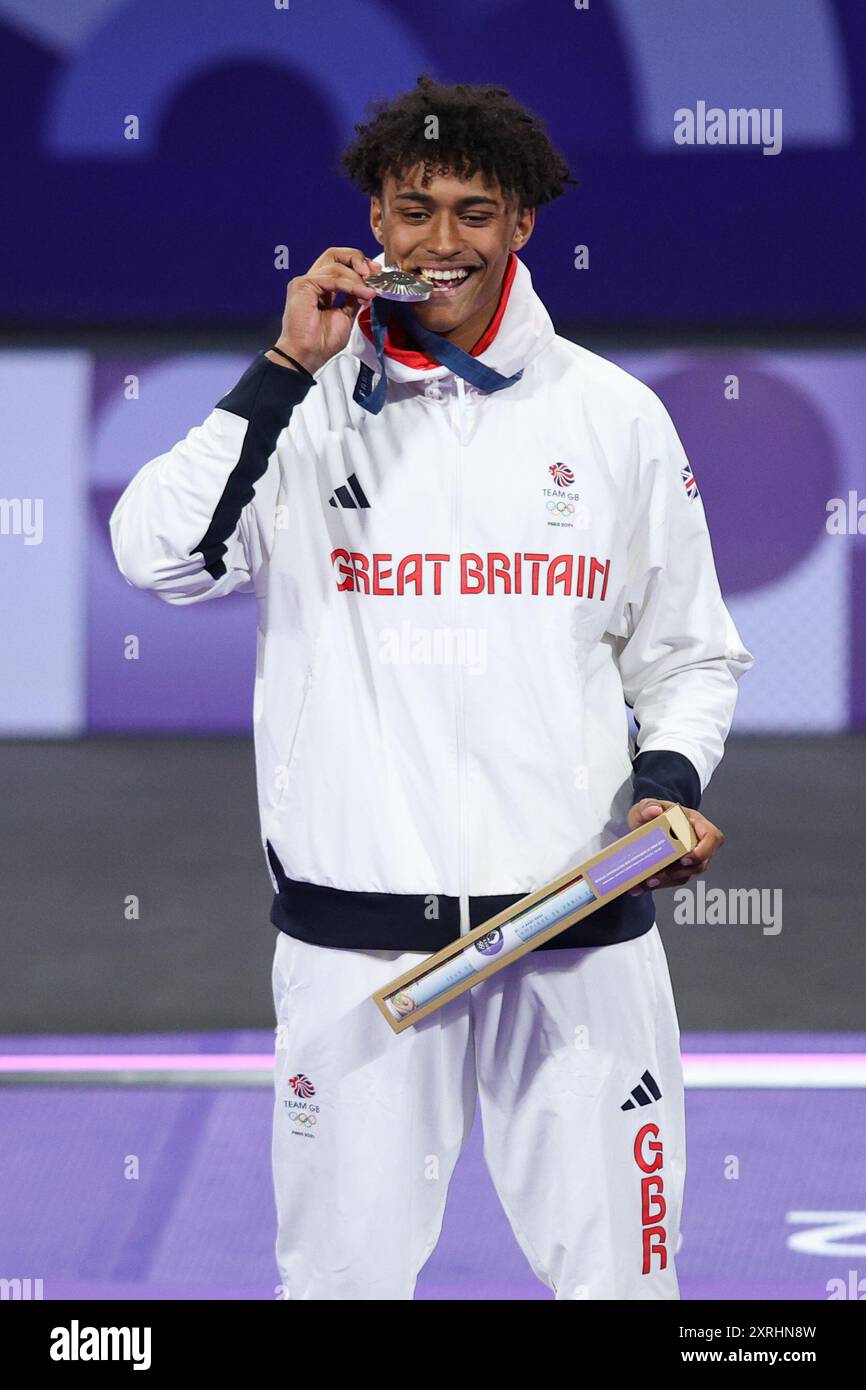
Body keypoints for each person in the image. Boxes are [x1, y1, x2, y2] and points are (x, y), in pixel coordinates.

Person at [110, 76, 752, 1300]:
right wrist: (282, 367)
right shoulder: (300, 414)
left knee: (624, 1285)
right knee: (341, 1286)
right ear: (372, 218)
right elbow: (156, 557)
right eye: (415, 210)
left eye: (474, 211)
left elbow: (685, 654)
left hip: (572, 928)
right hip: (356, 947)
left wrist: (663, 786)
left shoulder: (612, 417)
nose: (441, 242)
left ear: (521, 224)